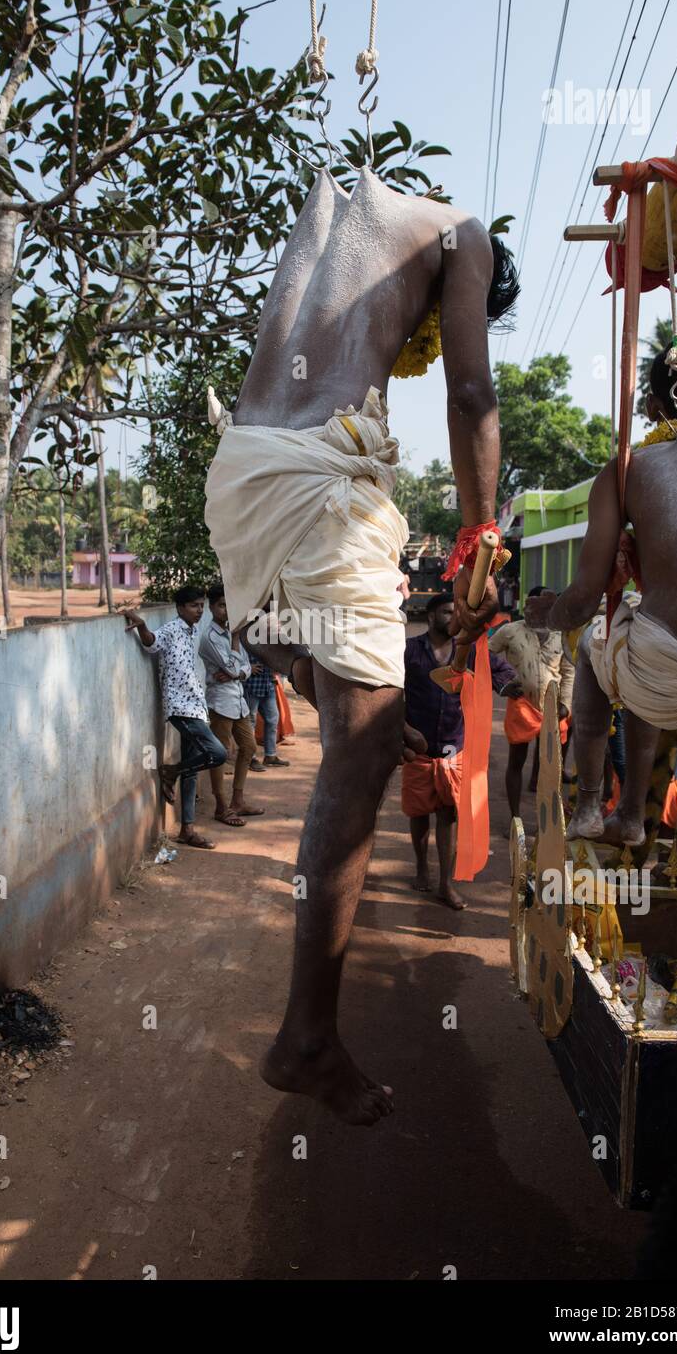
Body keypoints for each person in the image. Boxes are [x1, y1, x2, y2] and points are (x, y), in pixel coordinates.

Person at [204, 164, 518, 1124]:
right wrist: (479, 538)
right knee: (372, 741)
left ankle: (281, 644)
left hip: (244, 471)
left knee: (332, 682)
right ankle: (306, 1038)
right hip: (316, 480)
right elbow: (471, 393)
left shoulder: (341, 206)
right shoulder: (464, 231)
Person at [542, 320, 677, 845]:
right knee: (642, 629)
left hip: (667, 681)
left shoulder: (630, 469)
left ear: (652, 406)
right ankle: (630, 814)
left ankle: (591, 806)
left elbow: (582, 599)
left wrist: (546, 615)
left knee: (595, 642)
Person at [403, 590, 516, 908]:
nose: (453, 618)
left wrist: (504, 686)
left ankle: (445, 883)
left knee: (448, 814)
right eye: (446, 612)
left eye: (457, 613)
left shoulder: (467, 650)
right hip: (419, 748)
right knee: (418, 813)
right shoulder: (409, 650)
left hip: (455, 747)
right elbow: (389, 690)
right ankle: (422, 867)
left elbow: (503, 672)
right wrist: (404, 730)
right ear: (430, 616)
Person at [125, 586, 226, 850]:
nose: (199, 611)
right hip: (180, 708)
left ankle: (187, 830)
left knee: (192, 768)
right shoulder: (172, 629)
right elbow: (151, 642)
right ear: (180, 608)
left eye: (201, 606)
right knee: (218, 753)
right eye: (194, 606)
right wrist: (142, 625)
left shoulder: (192, 631)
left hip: (196, 706)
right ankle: (170, 771)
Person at [487, 587, 574, 819]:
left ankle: (547, 822)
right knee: (516, 760)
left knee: (551, 766)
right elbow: (485, 654)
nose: (531, 610)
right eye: (529, 606)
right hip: (522, 705)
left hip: (554, 707)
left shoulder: (561, 634)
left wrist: (566, 703)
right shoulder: (510, 631)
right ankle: (515, 817)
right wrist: (502, 683)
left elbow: (568, 671)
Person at [200, 584, 263, 827]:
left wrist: (237, 672)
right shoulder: (210, 637)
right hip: (221, 702)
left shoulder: (229, 633)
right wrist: (237, 664)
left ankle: (238, 800)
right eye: (221, 605)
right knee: (220, 754)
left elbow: (246, 668)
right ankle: (221, 806)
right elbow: (237, 668)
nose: (226, 611)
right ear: (212, 607)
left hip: (238, 701)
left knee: (248, 747)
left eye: (229, 605)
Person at [244, 655, 290, 771]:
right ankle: (250, 758)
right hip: (251, 685)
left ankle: (270, 755)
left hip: (267, 684)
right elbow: (235, 656)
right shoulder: (243, 640)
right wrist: (248, 668)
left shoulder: (267, 639)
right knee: (250, 722)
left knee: (273, 719)